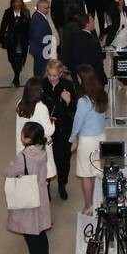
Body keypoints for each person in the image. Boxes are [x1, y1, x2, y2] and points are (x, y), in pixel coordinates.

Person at [8, 121, 54, 254]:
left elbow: (11, 172)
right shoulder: (42, 150)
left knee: (31, 235)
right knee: (40, 231)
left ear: (27, 139)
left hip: (28, 198)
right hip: (41, 194)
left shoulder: (24, 156)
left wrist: (12, 164)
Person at [69, 66, 108, 214]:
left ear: (83, 79)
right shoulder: (102, 95)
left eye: (78, 77)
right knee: (97, 172)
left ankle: (88, 205)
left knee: (86, 175)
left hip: (87, 141)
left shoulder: (83, 101)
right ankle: (99, 203)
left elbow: (77, 123)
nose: (77, 80)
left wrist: (72, 139)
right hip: (101, 138)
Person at [40, 60, 77, 199]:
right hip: (46, 131)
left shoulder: (67, 85)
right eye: (49, 75)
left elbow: (74, 109)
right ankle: (47, 187)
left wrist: (68, 101)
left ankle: (62, 185)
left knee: (64, 161)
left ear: (61, 74)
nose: (52, 78)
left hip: (63, 129)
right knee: (46, 160)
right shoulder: (42, 85)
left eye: (55, 75)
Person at [15, 78, 56, 186]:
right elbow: (48, 131)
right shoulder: (42, 108)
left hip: (24, 148)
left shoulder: (20, 104)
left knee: (30, 181)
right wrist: (52, 122)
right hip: (40, 151)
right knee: (42, 182)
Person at [59, 12, 107, 86]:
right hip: (91, 77)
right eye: (92, 21)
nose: (94, 22)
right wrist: (102, 78)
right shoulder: (94, 41)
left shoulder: (73, 39)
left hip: (77, 76)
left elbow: (68, 55)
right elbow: (98, 62)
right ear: (87, 24)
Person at [0, 0, 32, 87]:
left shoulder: (26, 12)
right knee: (12, 59)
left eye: (20, 1)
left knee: (20, 59)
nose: (18, 3)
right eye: (16, 1)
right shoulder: (8, 12)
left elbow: (29, 27)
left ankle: (16, 77)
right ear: (12, 3)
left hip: (22, 40)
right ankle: (16, 74)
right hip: (12, 40)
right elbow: (3, 27)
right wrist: (0, 40)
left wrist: (30, 39)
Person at [29, 0, 58, 79]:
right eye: (46, 8)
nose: (48, 10)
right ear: (40, 8)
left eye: (48, 7)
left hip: (39, 50)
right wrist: (47, 49)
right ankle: (39, 86)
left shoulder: (38, 16)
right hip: (41, 51)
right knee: (41, 71)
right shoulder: (39, 20)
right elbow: (38, 36)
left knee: (39, 69)